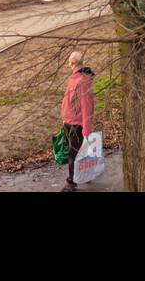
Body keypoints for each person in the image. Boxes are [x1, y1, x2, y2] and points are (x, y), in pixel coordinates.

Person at [59, 50, 95, 191]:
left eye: (69, 63)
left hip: (75, 122)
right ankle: (77, 179)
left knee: (74, 152)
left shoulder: (80, 81)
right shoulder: (77, 79)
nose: (69, 65)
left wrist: (86, 129)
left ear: (73, 63)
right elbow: (67, 101)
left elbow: (85, 105)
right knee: (77, 151)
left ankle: (74, 180)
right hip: (71, 122)